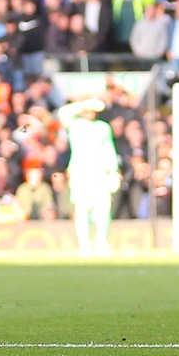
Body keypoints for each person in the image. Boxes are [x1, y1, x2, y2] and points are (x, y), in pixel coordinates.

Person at [57, 97, 121, 257]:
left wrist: (113, 170)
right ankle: (84, 244)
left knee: (104, 209)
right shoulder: (75, 125)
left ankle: (101, 241)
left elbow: (109, 149)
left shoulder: (103, 127)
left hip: (99, 172)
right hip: (80, 172)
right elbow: (63, 113)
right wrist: (82, 105)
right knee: (82, 209)